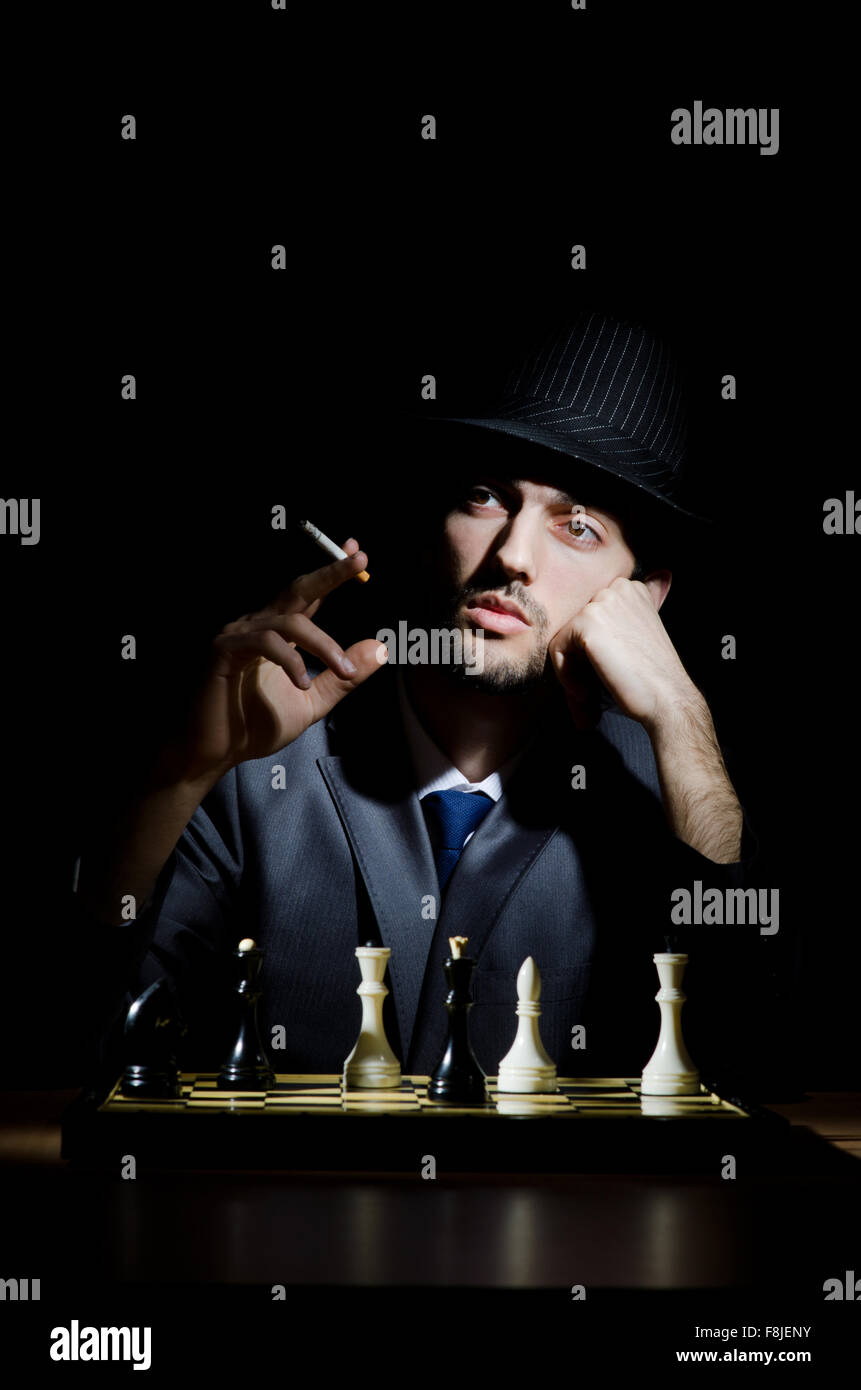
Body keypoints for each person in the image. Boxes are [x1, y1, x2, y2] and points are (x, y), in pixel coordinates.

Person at [74, 312, 766, 1090]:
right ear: (430, 521)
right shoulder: (254, 758)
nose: (511, 555)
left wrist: (680, 712)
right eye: (485, 497)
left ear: (642, 597)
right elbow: (88, 1046)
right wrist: (176, 776)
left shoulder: (672, 791)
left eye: (576, 526)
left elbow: (744, 1059)